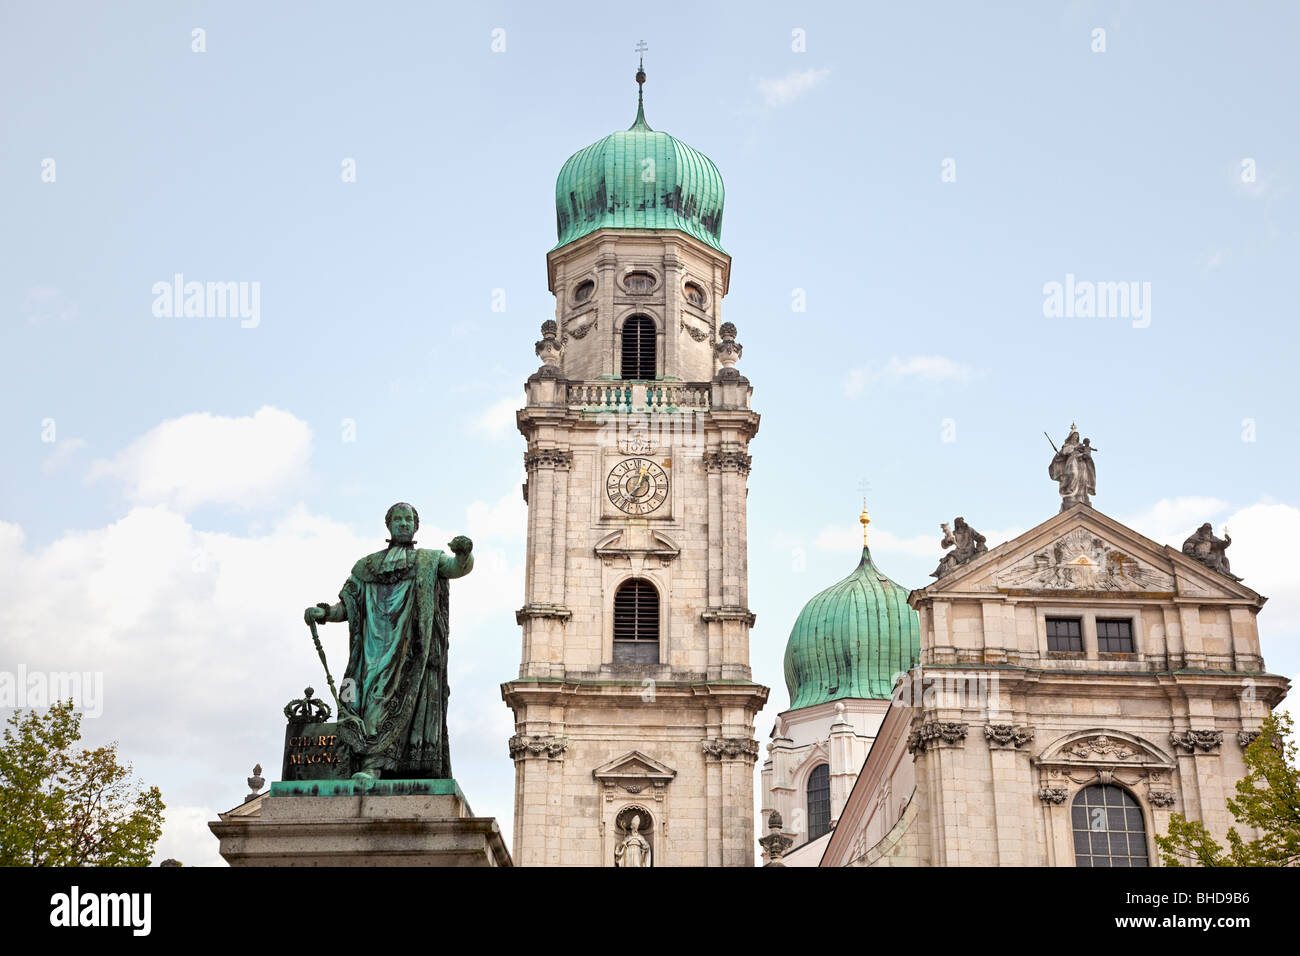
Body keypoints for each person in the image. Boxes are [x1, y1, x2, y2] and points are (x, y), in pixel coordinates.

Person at [305, 502, 473, 780]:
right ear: (389, 525)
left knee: (406, 702)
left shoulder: (429, 560)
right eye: (398, 518)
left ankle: (377, 767)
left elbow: (457, 568)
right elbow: (347, 605)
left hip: (413, 650)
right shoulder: (365, 566)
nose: (404, 523)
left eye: (409, 518)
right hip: (372, 651)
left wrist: (464, 553)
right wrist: (323, 613)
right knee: (369, 699)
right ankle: (367, 763)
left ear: (416, 525)